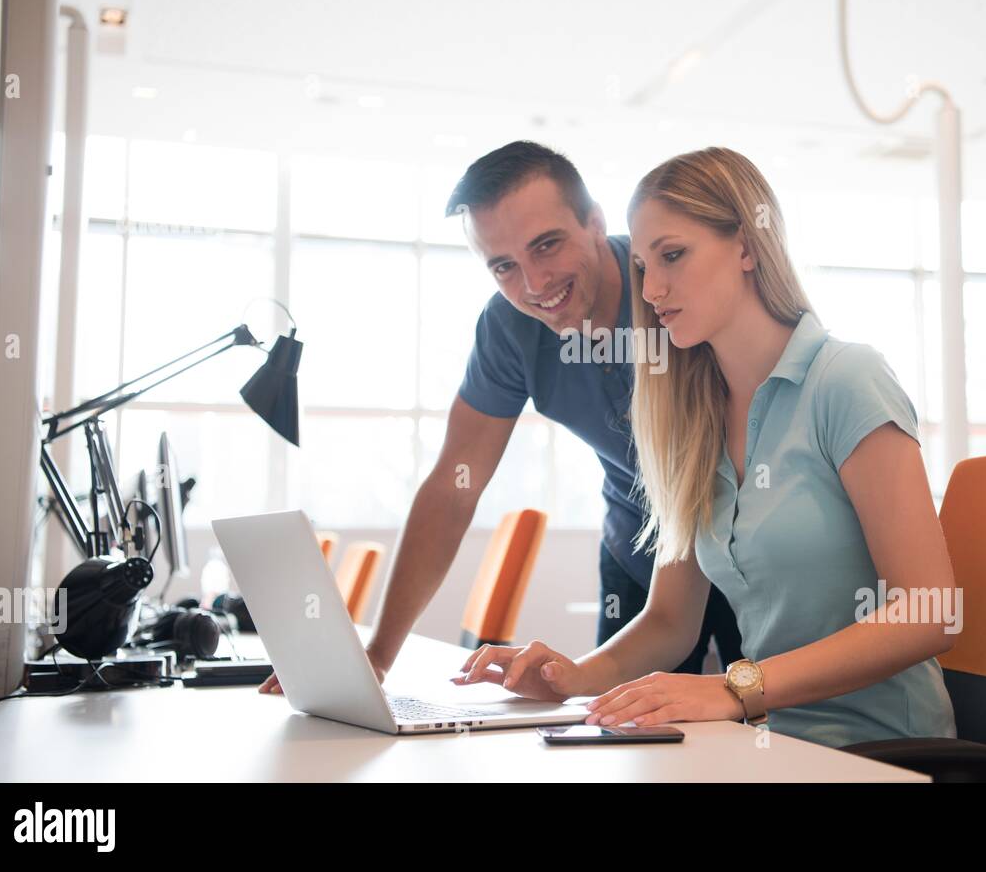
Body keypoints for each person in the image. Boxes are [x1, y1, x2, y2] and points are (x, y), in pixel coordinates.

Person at [454, 147, 958, 749]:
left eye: (673, 256)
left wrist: (734, 687)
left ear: (747, 246)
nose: (654, 289)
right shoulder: (690, 420)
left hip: (882, 751)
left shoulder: (846, 380)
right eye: (642, 267)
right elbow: (671, 620)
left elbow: (931, 611)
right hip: (771, 746)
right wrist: (571, 677)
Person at [260, 141, 741, 696]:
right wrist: (377, 656)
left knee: (773, 729)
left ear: (595, 222)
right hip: (641, 548)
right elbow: (453, 487)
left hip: (745, 548)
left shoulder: (670, 288)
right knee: (627, 740)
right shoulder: (510, 330)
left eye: (547, 245)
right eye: (504, 266)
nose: (535, 285)